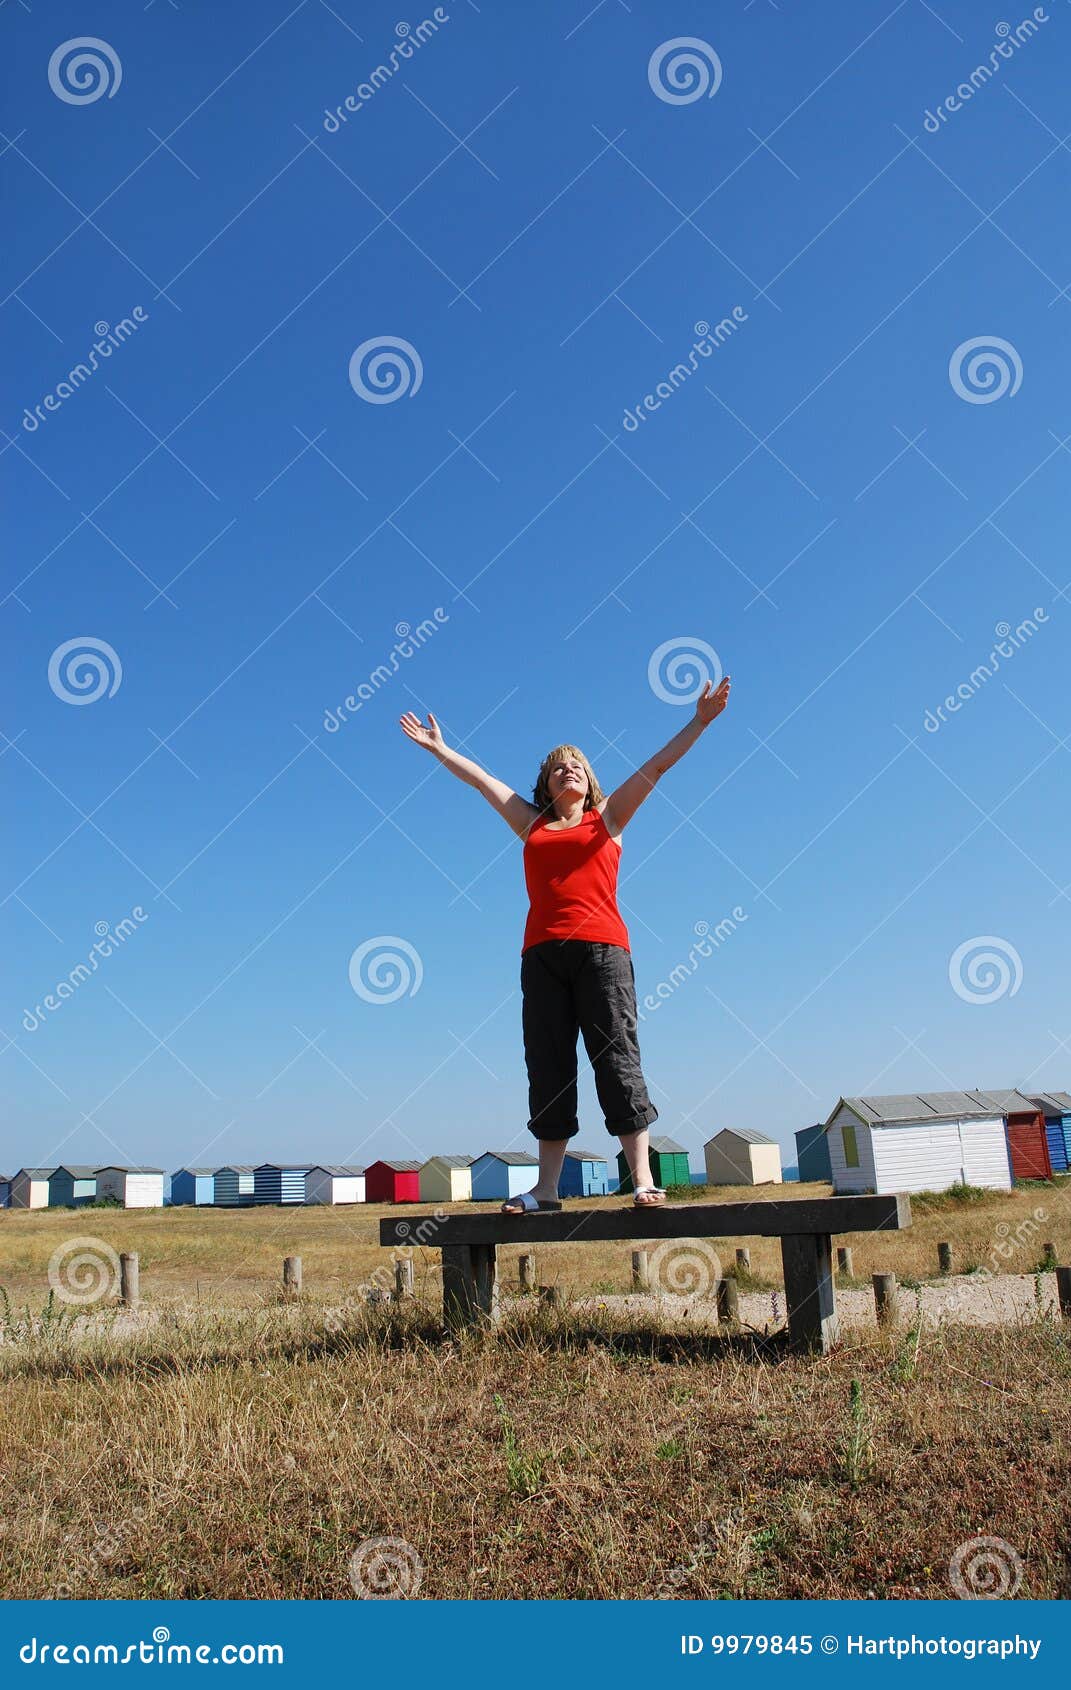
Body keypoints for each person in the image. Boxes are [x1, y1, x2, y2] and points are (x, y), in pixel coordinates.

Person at [399, 674, 731, 1212]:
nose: (567, 769)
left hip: (603, 953)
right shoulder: (530, 826)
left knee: (616, 1057)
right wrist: (440, 749)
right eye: (557, 767)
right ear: (546, 787)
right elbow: (482, 781)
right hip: (542, 958)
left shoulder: (610, 818)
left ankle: (641, 1178)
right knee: (548, 1066)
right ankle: (547, 1189)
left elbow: (657, 766)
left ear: (589, 780)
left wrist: (699, 721)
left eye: (576, 764)